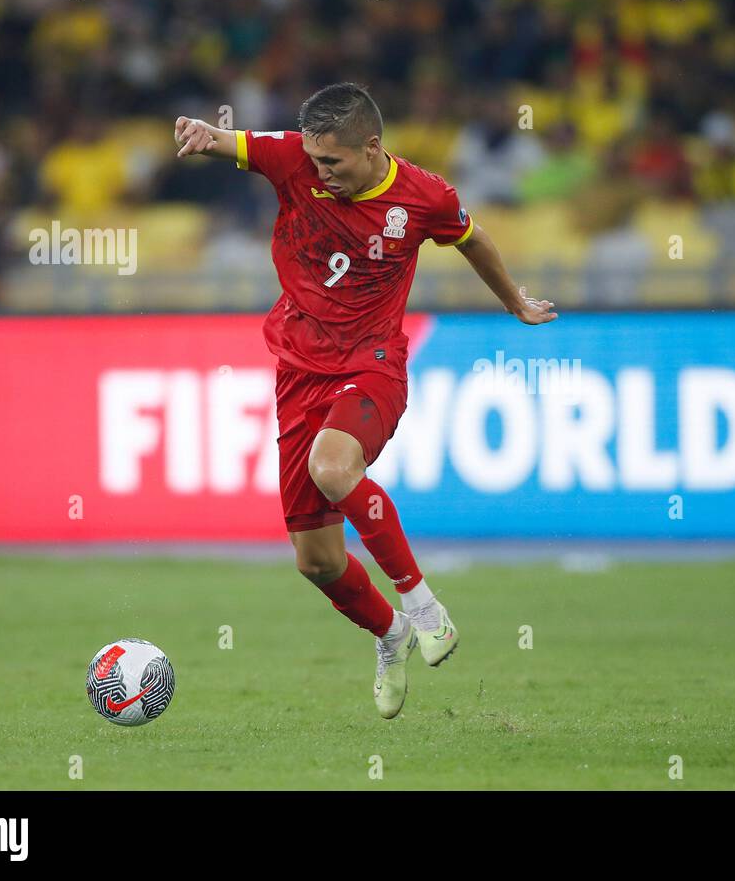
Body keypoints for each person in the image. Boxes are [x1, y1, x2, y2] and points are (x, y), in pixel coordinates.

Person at [174, 83, 557, 719]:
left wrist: (514, 300)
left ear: (372, 147)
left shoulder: (425, 195)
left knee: (333, 468)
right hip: (298, 373)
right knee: (316, 562)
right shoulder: (293, 157)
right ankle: (391, 635)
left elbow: (474, 239)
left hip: (372, 363)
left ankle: (424, 605)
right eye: (314, 162)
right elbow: (225, 141)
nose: (320, 174)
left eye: (334, 164)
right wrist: (198, 133)